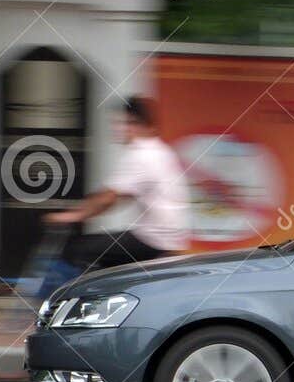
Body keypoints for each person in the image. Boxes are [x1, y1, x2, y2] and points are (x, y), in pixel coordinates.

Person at [44, 96, 190, 271]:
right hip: (169, 238)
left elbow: (108, 199)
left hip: (153, 240)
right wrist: (90, 206)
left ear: (134, 124)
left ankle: (80, 297)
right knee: (105, 260)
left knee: (76, 250)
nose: (116, 129)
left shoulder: (140, 154)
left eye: (120, 123)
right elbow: (120, 195)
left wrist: (73, 216)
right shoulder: (160, 150)